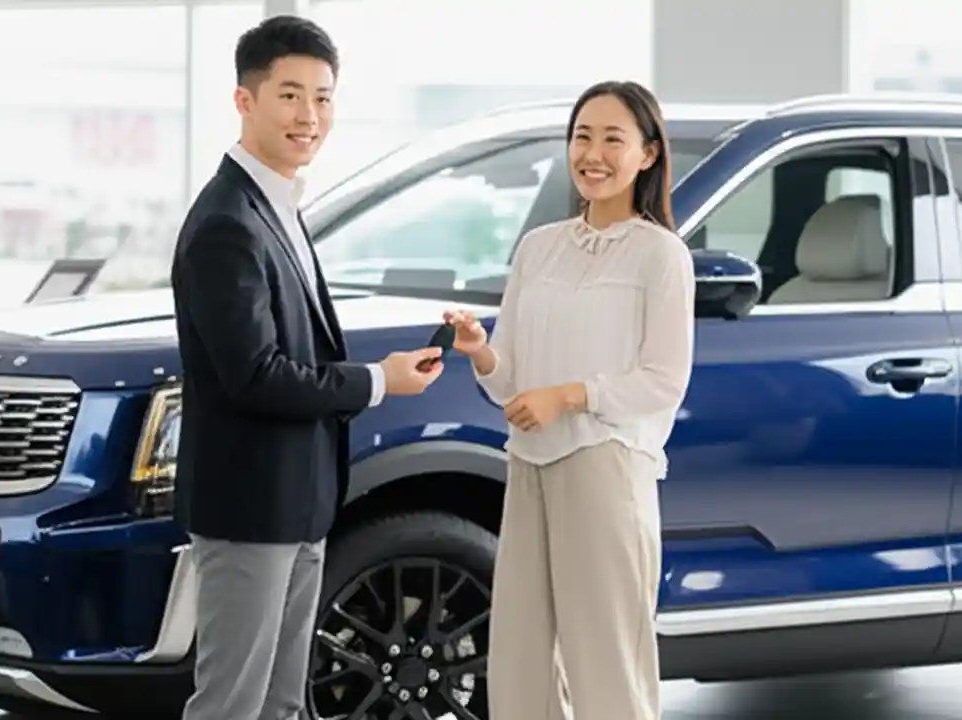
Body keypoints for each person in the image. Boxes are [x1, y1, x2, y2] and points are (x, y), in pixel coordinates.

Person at [169, 15, 444, 720]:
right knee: (231, 705)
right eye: (290, 96)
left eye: (323, 98)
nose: (310, 116)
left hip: (297, 502)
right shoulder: (227, 222)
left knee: (283, 705)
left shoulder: (278, 205)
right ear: (245, 100)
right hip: (249, 509)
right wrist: (378, 381)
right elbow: (256, 375)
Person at [446, 80, 695, 720]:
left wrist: (569, 396)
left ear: (647, 154)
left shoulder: (661, 255)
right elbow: (511, 380)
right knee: (519, 659)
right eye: (582, 137)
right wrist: (480, 351)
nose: (593, 154)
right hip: (529, 463)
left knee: (607, 661)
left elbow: (664, 379)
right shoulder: (539, 247)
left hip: (605, 466)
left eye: (613, 139)